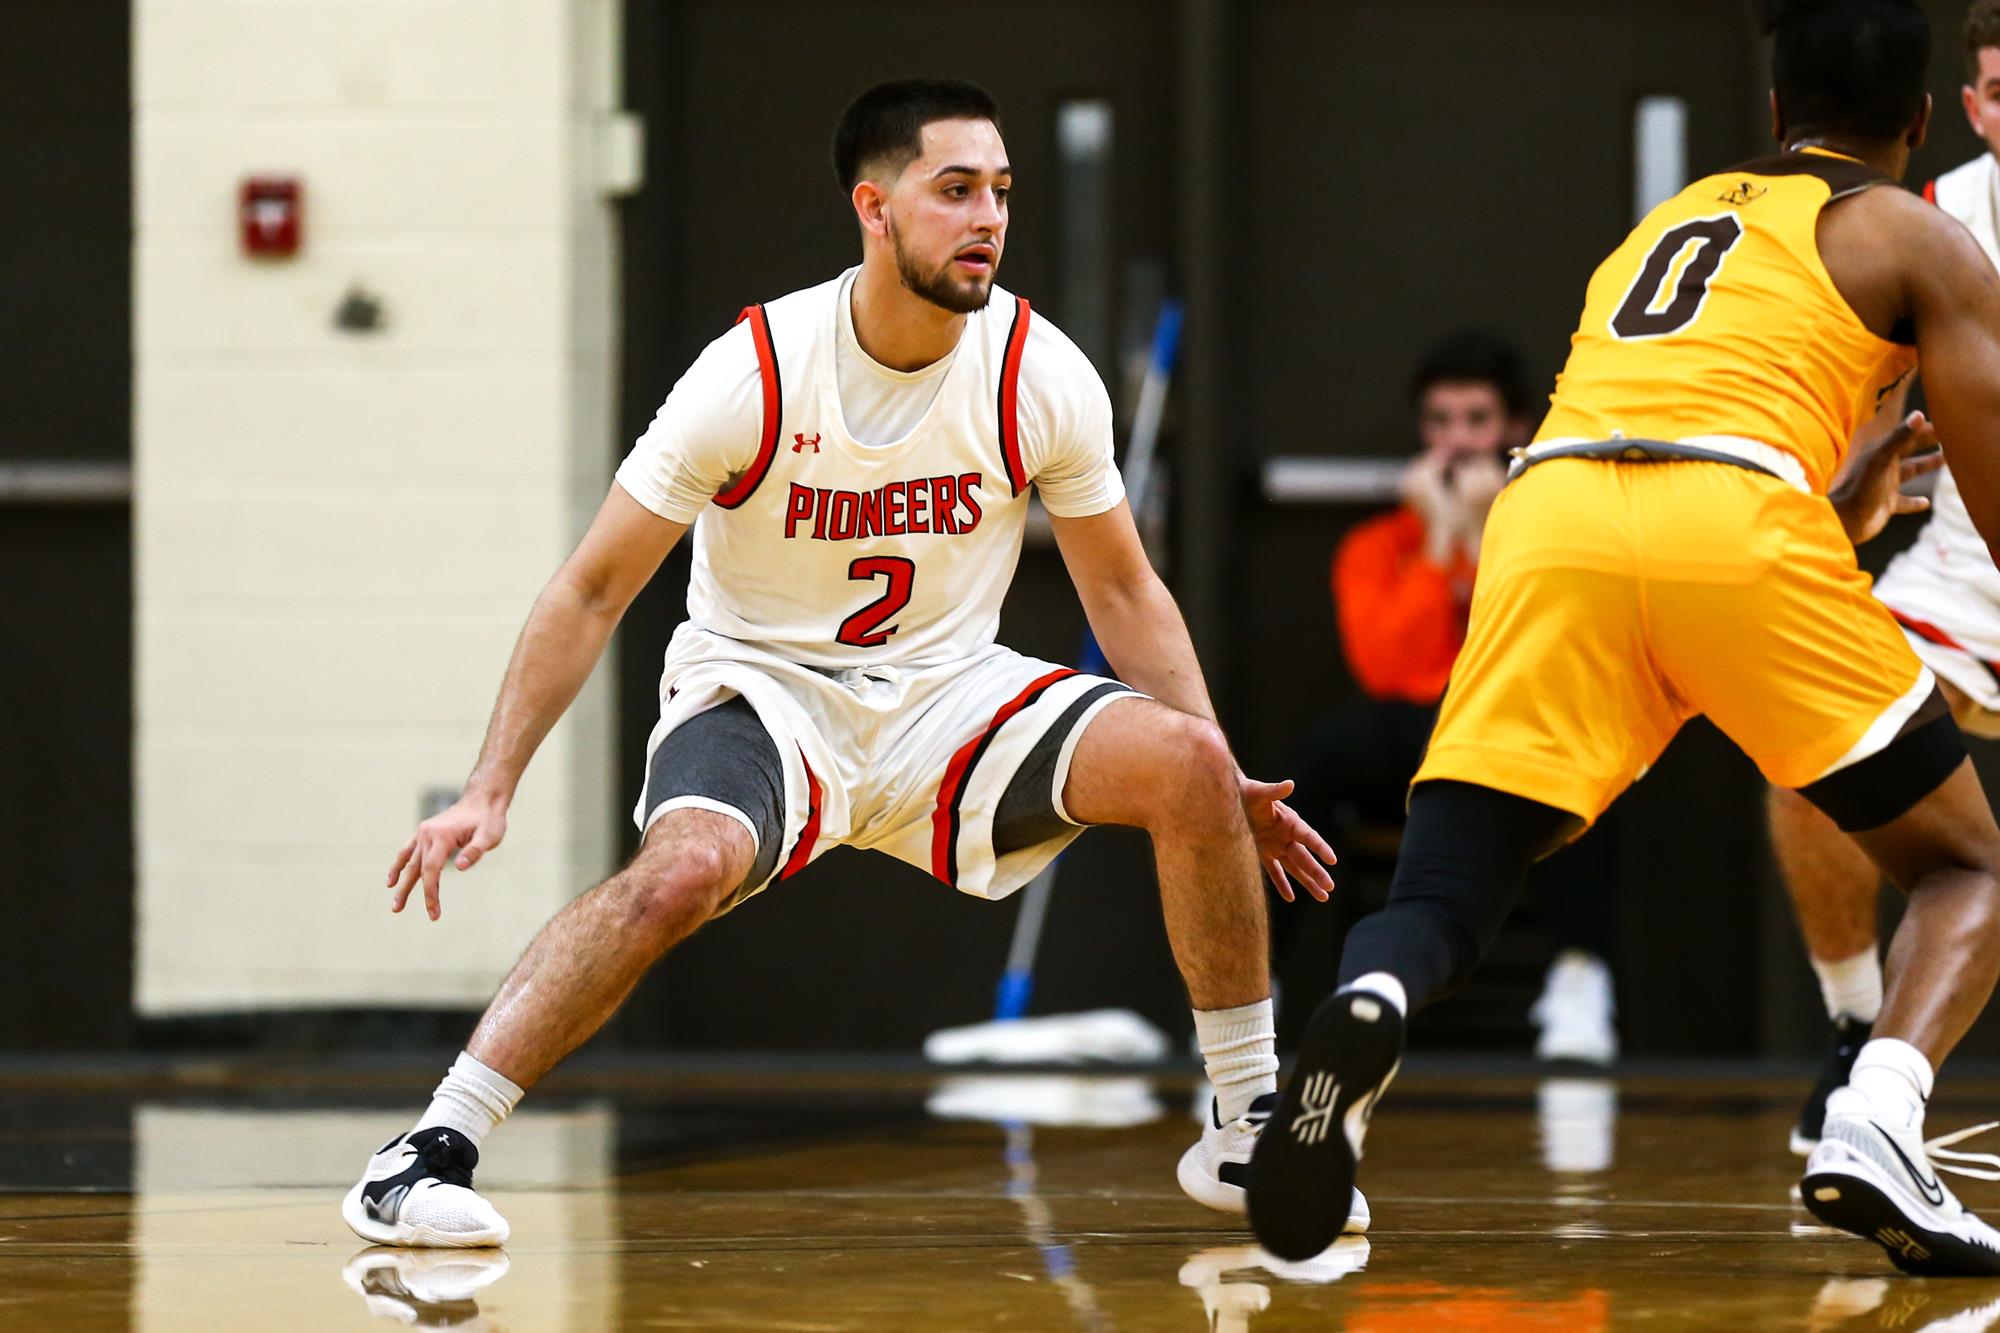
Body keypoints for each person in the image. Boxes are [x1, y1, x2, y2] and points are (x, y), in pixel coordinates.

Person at [339, 77, 1353, 1249]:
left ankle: (1246, 1124)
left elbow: (1122, 588)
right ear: (873, 209)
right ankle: (425, 1150)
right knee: (679, 873)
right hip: (766, 688)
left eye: (1003, 194)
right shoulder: (754, 371)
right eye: (955, 190)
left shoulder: (1039, 369)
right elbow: (591, 585)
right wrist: (491, 781)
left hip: (947, 694)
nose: (988, 219)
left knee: (1183, 759)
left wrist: (1222, 781)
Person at [1249, 0, 2000, 1276]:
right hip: (1734, 520)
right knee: (1963, 868)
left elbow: (1679, 422)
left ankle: (1360, 1007)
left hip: (1549, 512)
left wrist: (1838, 491)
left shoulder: (1675, 218)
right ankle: (1875, 1119)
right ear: (1921, 121)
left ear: (1771, 117)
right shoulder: (1922, 236)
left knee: (1448, 882)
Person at [1774, 0, 2000, 1159]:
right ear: (1964, 109)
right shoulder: (1922, 223)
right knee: (1805, 750)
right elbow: (1850, 408)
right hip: (1965, 567)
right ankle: (1855, 1022)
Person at [1289, 331, 1622, 1064]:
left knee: (1580, 755)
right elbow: (1392, 670)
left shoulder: (1555, 529)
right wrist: (1444, 544)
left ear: (1514, 430)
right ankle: (1266, 985)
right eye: (1440, 422)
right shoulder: (1379, 546)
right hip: (1417, 727)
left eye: (1475, 420)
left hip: (1516, 724)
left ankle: (1579, 980)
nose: (1456, 443)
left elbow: (1537, 646)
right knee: (1320, 757)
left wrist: (1486, 532)